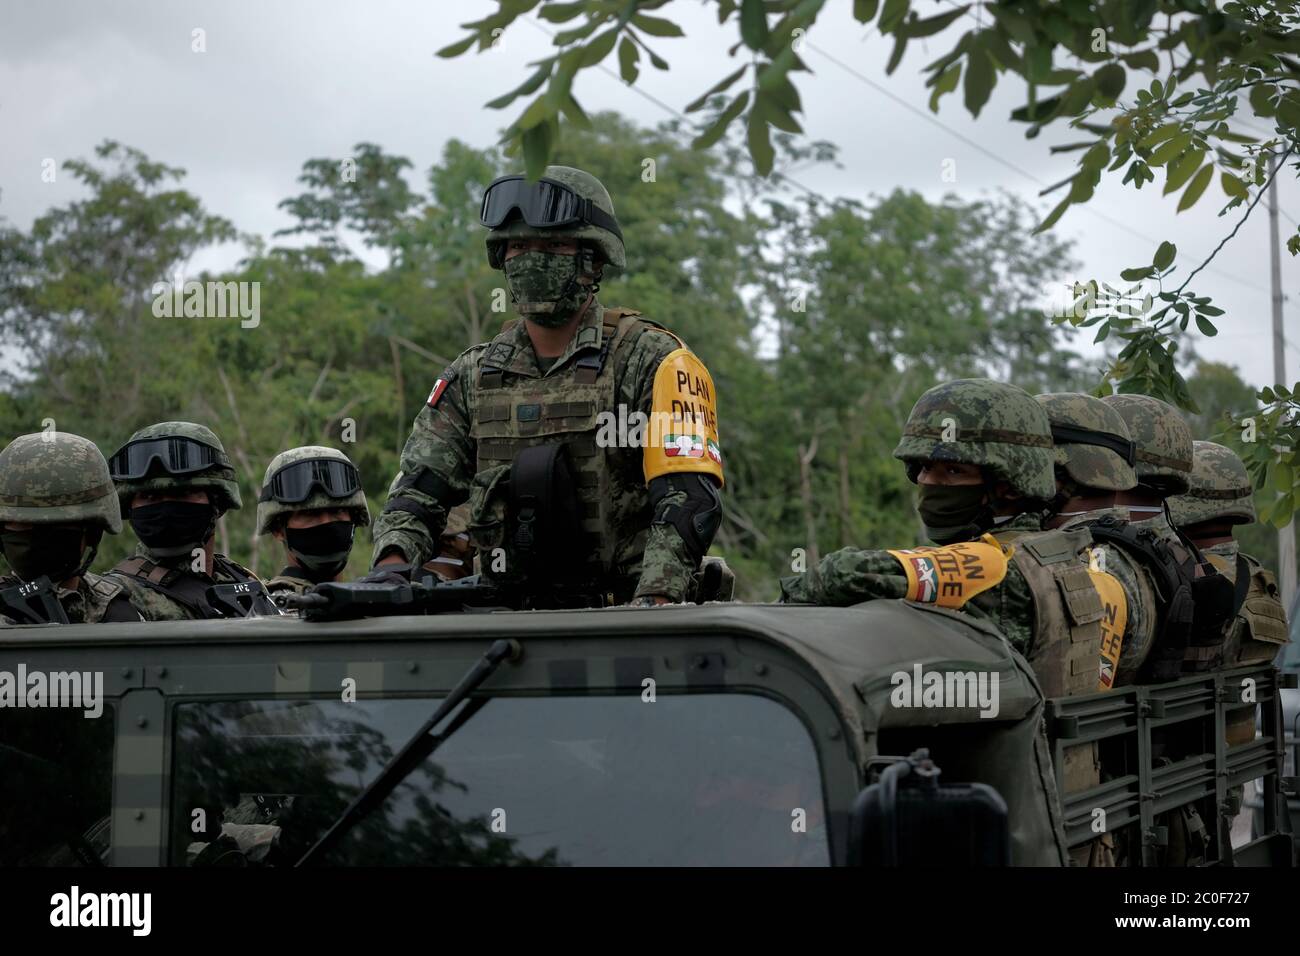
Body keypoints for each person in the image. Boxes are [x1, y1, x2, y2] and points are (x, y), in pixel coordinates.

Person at [369, 165, 724, 606]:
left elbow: (688, 501)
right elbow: (418, 493)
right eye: (519, 245)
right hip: (505, 620)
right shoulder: (471, 376)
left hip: (628, 618)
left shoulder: (654, 361)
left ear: (593, 259)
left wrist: (654, 602)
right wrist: (390, 569)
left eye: (553, 245)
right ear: (502, 258)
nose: (532, 257)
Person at [106, 421, 279, 620]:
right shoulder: (117, 599)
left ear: (218, 504)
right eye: (150, 497)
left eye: (183, 493)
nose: (166, 508)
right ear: (129, 506)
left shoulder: (239, 578)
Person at [0, 431, 139, 624]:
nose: (41, 538)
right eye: (24, 524)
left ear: (92, 532)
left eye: (58, 526)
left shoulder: (119, 613)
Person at [257, 446, 371, 599]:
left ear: (354, 519)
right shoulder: (265, 607)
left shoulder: (369, 601)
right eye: (310, 514)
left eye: (337, 511)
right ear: (278, 530)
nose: (326, 522)